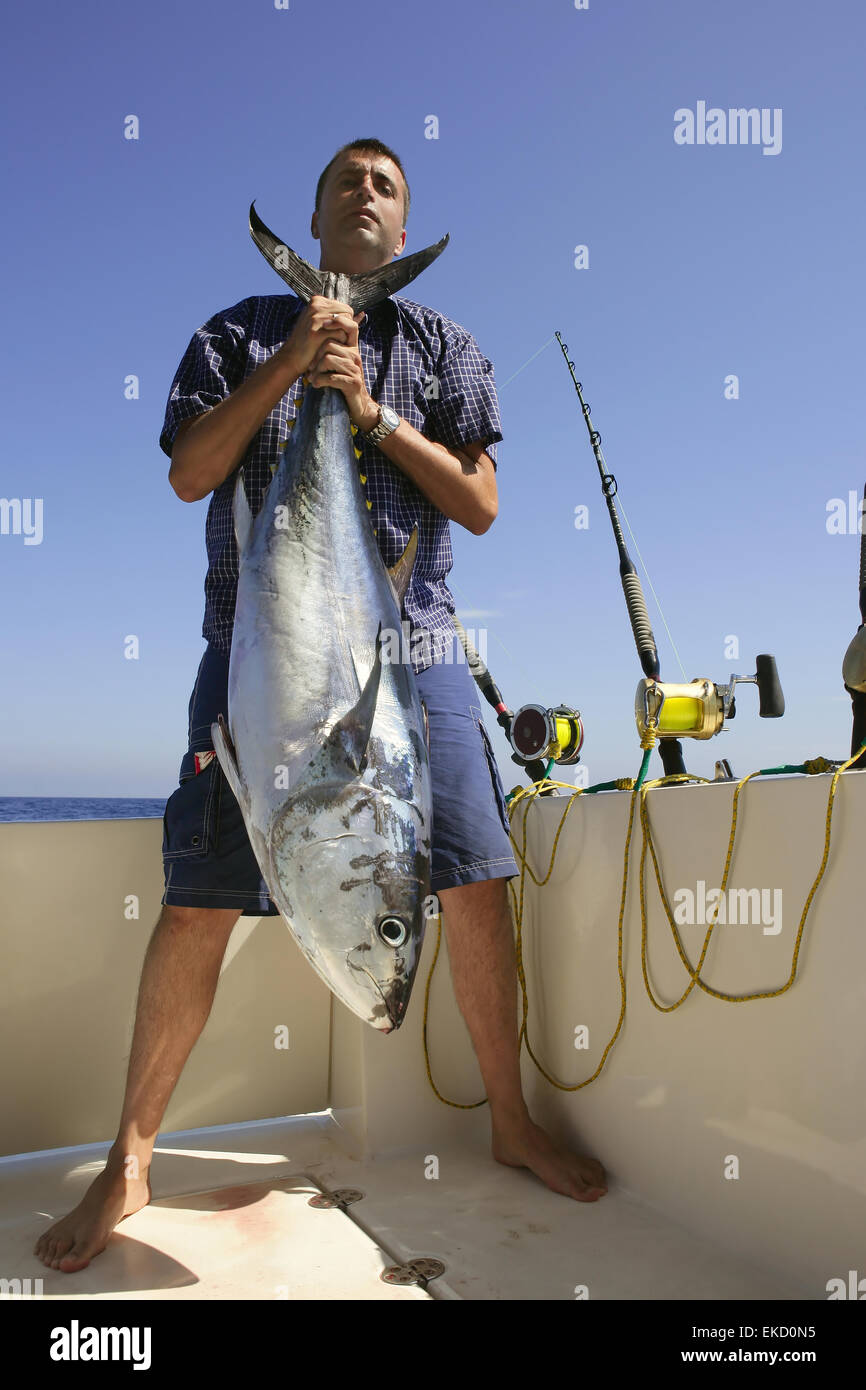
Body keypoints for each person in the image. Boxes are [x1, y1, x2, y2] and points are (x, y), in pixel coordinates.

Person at [34, 139, 606, 1274]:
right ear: (315, 210)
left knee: (477, 880)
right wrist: (295, 358)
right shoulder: (235, 332)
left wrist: (373, 414)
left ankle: (508, 1119)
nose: (366, 194)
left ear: (402, 227)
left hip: (419, 643)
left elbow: (482, 505)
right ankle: (132, 1155)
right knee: (199, 895)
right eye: (348, 180)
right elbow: (192, 472)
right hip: (263, 641)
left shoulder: (443, 344)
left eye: (386, 185)